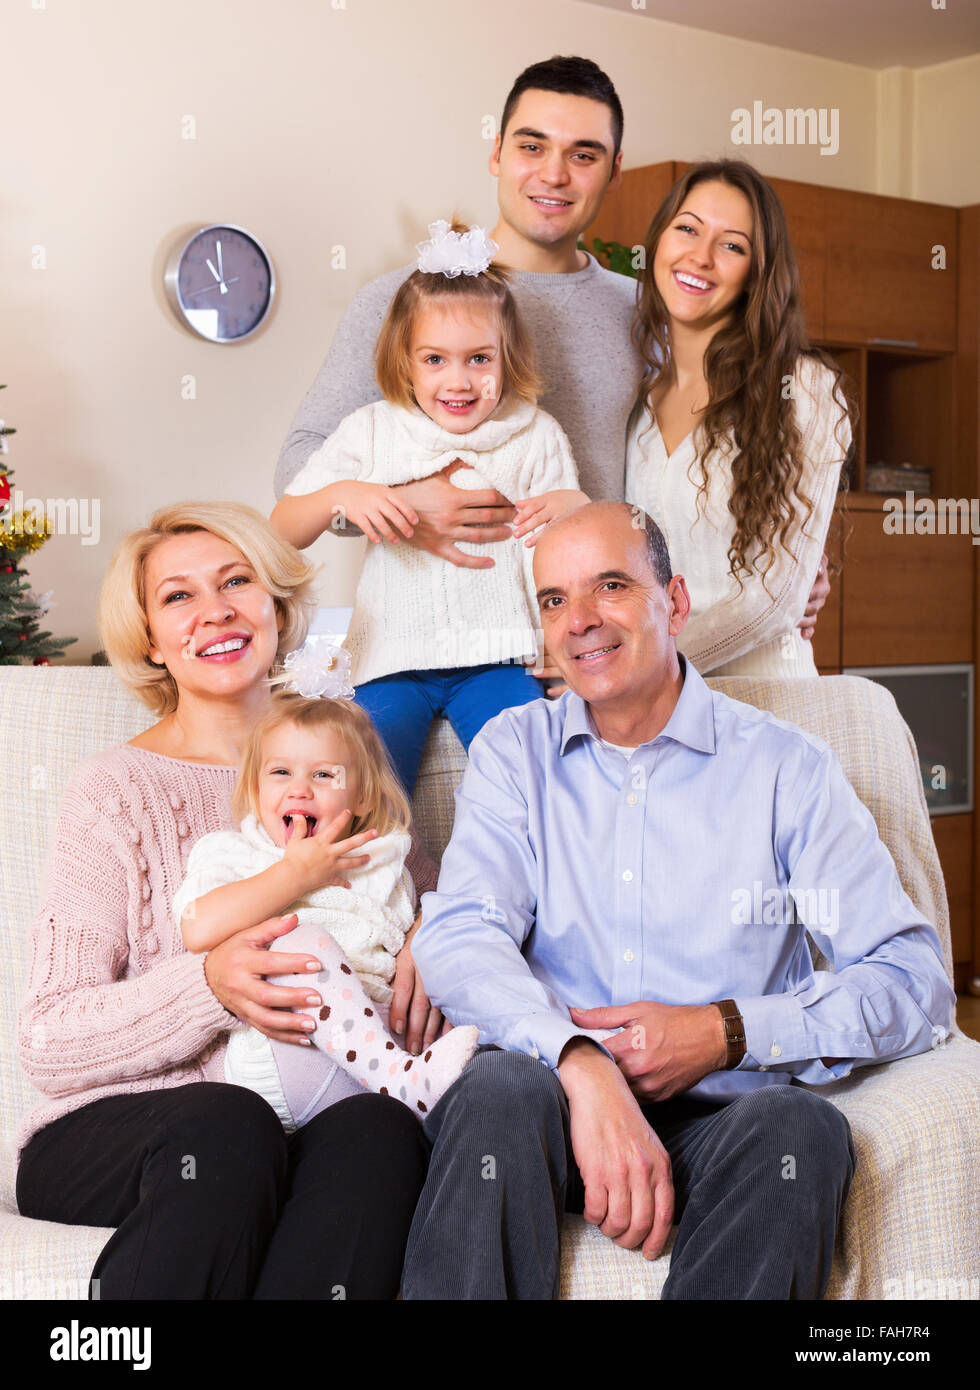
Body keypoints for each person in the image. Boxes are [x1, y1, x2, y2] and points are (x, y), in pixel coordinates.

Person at [402, 500, 955, 1300]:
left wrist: (725, 1031)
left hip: (723, 1127)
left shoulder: (784, 769)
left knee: (800, 1129)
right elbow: (461, 935)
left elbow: (913, 980)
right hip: (546, 1116)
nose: (581, 620)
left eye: (611, 587)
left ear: (676, 602)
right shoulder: (512, 753)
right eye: (555, 600)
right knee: (494, 1088)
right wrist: (580, 1062)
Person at [15, 501, 443, 1300]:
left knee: (385, 1131)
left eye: (236, 582)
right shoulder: (115, 791)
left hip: (310, 1117)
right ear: (150, 637)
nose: (215, 611)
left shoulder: (345, 756)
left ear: (277, 608)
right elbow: (48, 1038)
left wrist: (432, 936)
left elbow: (422, 901)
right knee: (227, 1122)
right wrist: (208, 987)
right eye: (178, 596)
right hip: (128, 1127)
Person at [275, 57, 830, 669]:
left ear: (614, 171)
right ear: (497, 151)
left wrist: (788, 570)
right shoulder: (404, 300)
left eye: (584, 155)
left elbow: (699, 460)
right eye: (532, 145)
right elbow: (303, 460)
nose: (554, 174)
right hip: (437, 649)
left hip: (600, 653)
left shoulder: (647, 310)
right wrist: (412, 506)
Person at [271, 219, 585, 793]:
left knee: (535, 786)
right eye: (435, 359)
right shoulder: (372, 432)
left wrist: (577, 506)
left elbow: (572, 563)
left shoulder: (535, 435)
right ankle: (390, 881)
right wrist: (344, 494)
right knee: (364, 792)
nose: (459, 381)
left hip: (501, 660)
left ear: (506, 356)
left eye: (479, 359)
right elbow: (281, 531)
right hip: (390, 659)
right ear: (406, 361)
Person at [175, 684, 479, 1128]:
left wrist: (426, 928)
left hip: (379, 1059)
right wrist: (292, 875)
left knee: (459, 985)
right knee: (300, 939)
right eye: (280, 772)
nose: (299, 790)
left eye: (323, 775)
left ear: (363, 798)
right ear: (255, 788)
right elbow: (196, 929)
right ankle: (404, 1084)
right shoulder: (235, 853)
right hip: (284, 1052)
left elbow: (453, 903)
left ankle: (423, 1094)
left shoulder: (386, 856)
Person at [624, 158, 853, 676]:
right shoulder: (639, 397)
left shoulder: (806, 390)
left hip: (763, 701)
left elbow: (777, 598)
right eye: (687, 229)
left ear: (758, 272)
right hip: (655, 708)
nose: (700, 257)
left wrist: (649, 668)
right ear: (659, 240)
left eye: (732, 245)